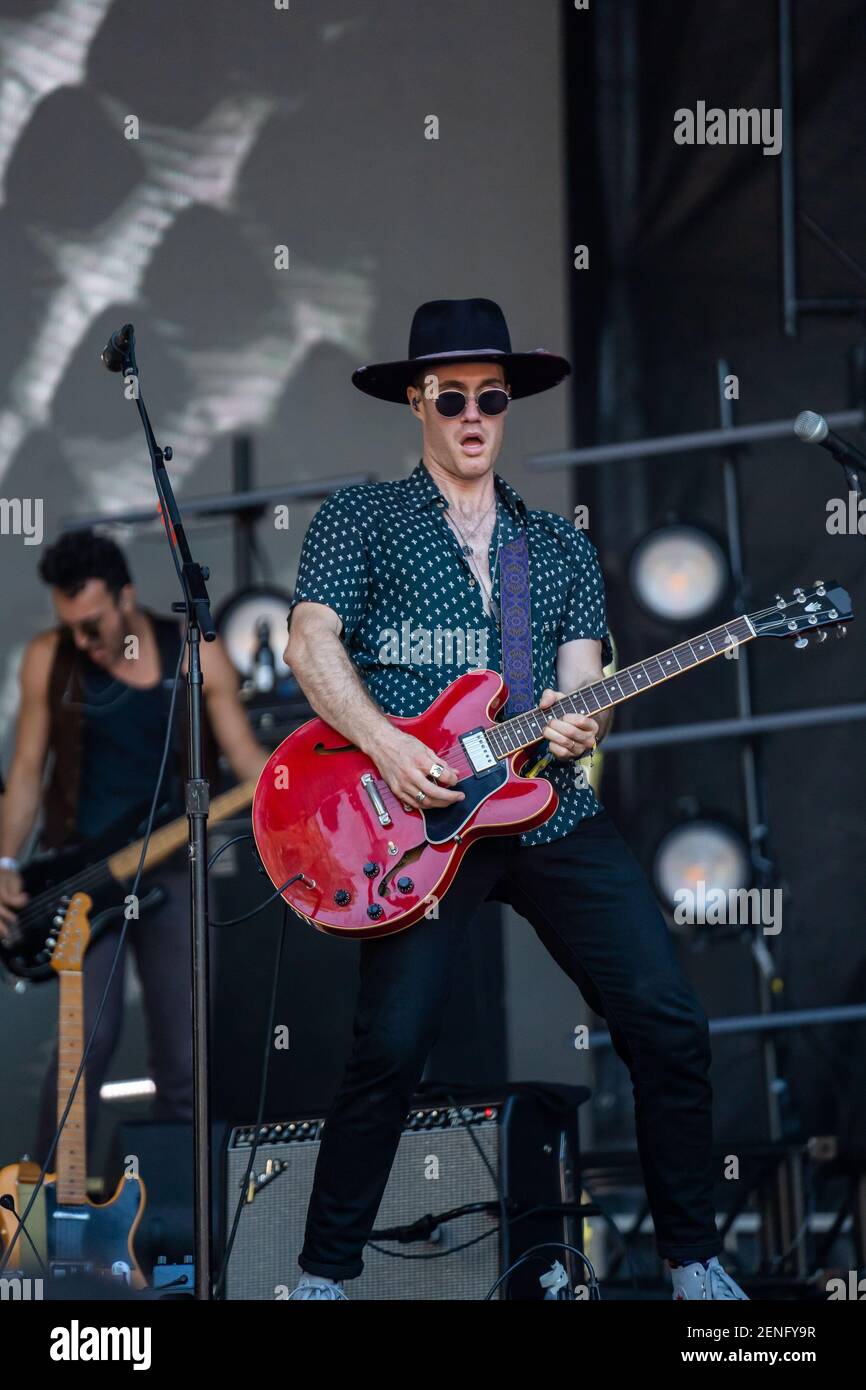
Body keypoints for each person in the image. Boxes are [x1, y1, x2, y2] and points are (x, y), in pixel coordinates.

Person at [282, 298, 747, 1302]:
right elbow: (308, 642)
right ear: (415, 403)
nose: (470, 414)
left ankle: (692, 1261)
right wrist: (385, 745)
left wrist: (580, 727)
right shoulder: (360, 520)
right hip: (414, 818)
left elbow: (579, 688)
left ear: (505, 411)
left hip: (542, 812)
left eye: (488, 397)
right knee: (390, 1047)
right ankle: (322, 1277)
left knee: (666, 1019)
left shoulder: (560, 547)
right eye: (449, 396)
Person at [0, 529, 268, 1168]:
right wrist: (6, 863)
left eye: (95, 625)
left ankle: (174, 1235)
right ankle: (42, 1228)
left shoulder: (192, 651)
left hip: (172, 874)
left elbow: (251, 766)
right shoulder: (50, 657)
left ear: (127, 596)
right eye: (74, 628)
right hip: (82, 878)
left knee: (183, 1060)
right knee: (82, 1052)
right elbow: (28, 773)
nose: (87, 643)